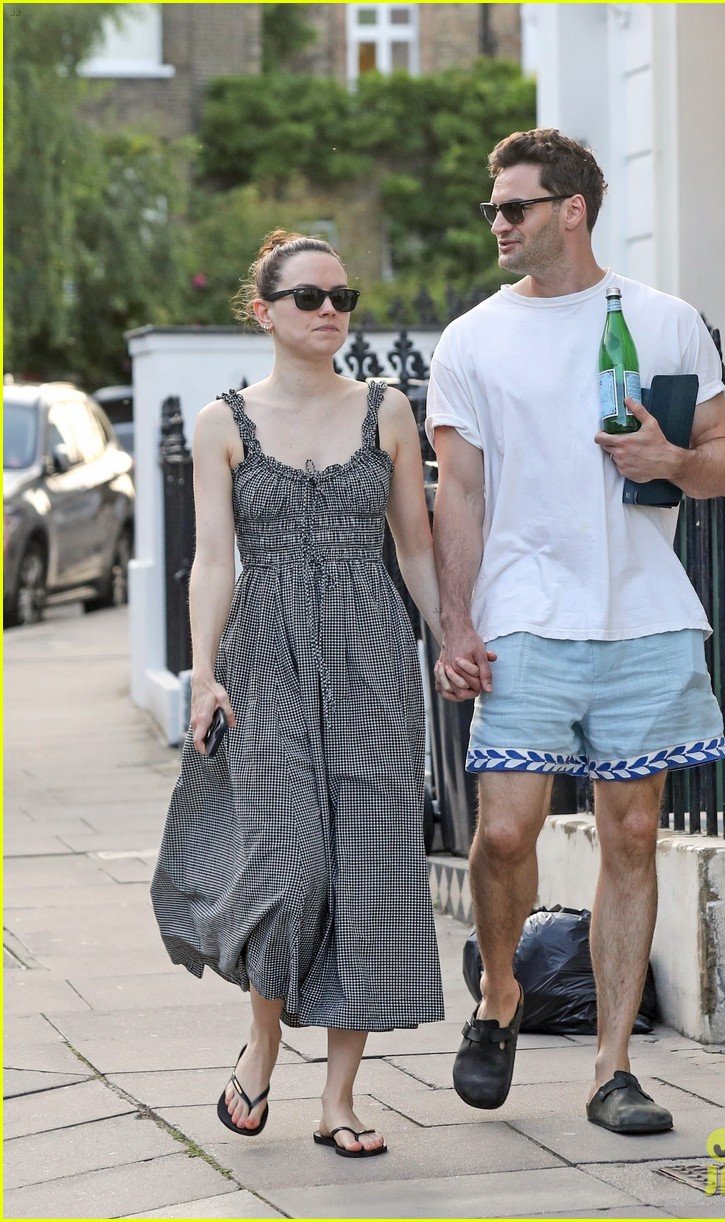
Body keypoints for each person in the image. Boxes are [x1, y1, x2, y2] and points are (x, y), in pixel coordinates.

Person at [425, 129, 725, 1134]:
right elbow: (458, 495)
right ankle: (499, 996)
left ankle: (611, 1067)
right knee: (504, 832)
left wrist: (669, 456)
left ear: (570, 208)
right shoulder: (470, 338)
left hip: (641, 615)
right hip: (524, 618)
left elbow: (723, 464)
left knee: (631, 833)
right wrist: (456, 619)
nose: (497, 225)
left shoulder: (661, 321)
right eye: (490, 208)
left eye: (512, 207)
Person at [150, 230, 445, 1156]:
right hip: (265, 657)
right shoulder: (220, 422)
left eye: (342, 297)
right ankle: (263, 1044)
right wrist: (205, 674)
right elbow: (209, 560)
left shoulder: (389, 410)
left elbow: (416, 547)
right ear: (264, 311)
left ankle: (342, 1100)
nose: (330, 312)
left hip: (371, 658)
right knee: (287, 870)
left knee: (366, 873)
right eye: (310, 297)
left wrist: (453, 641)